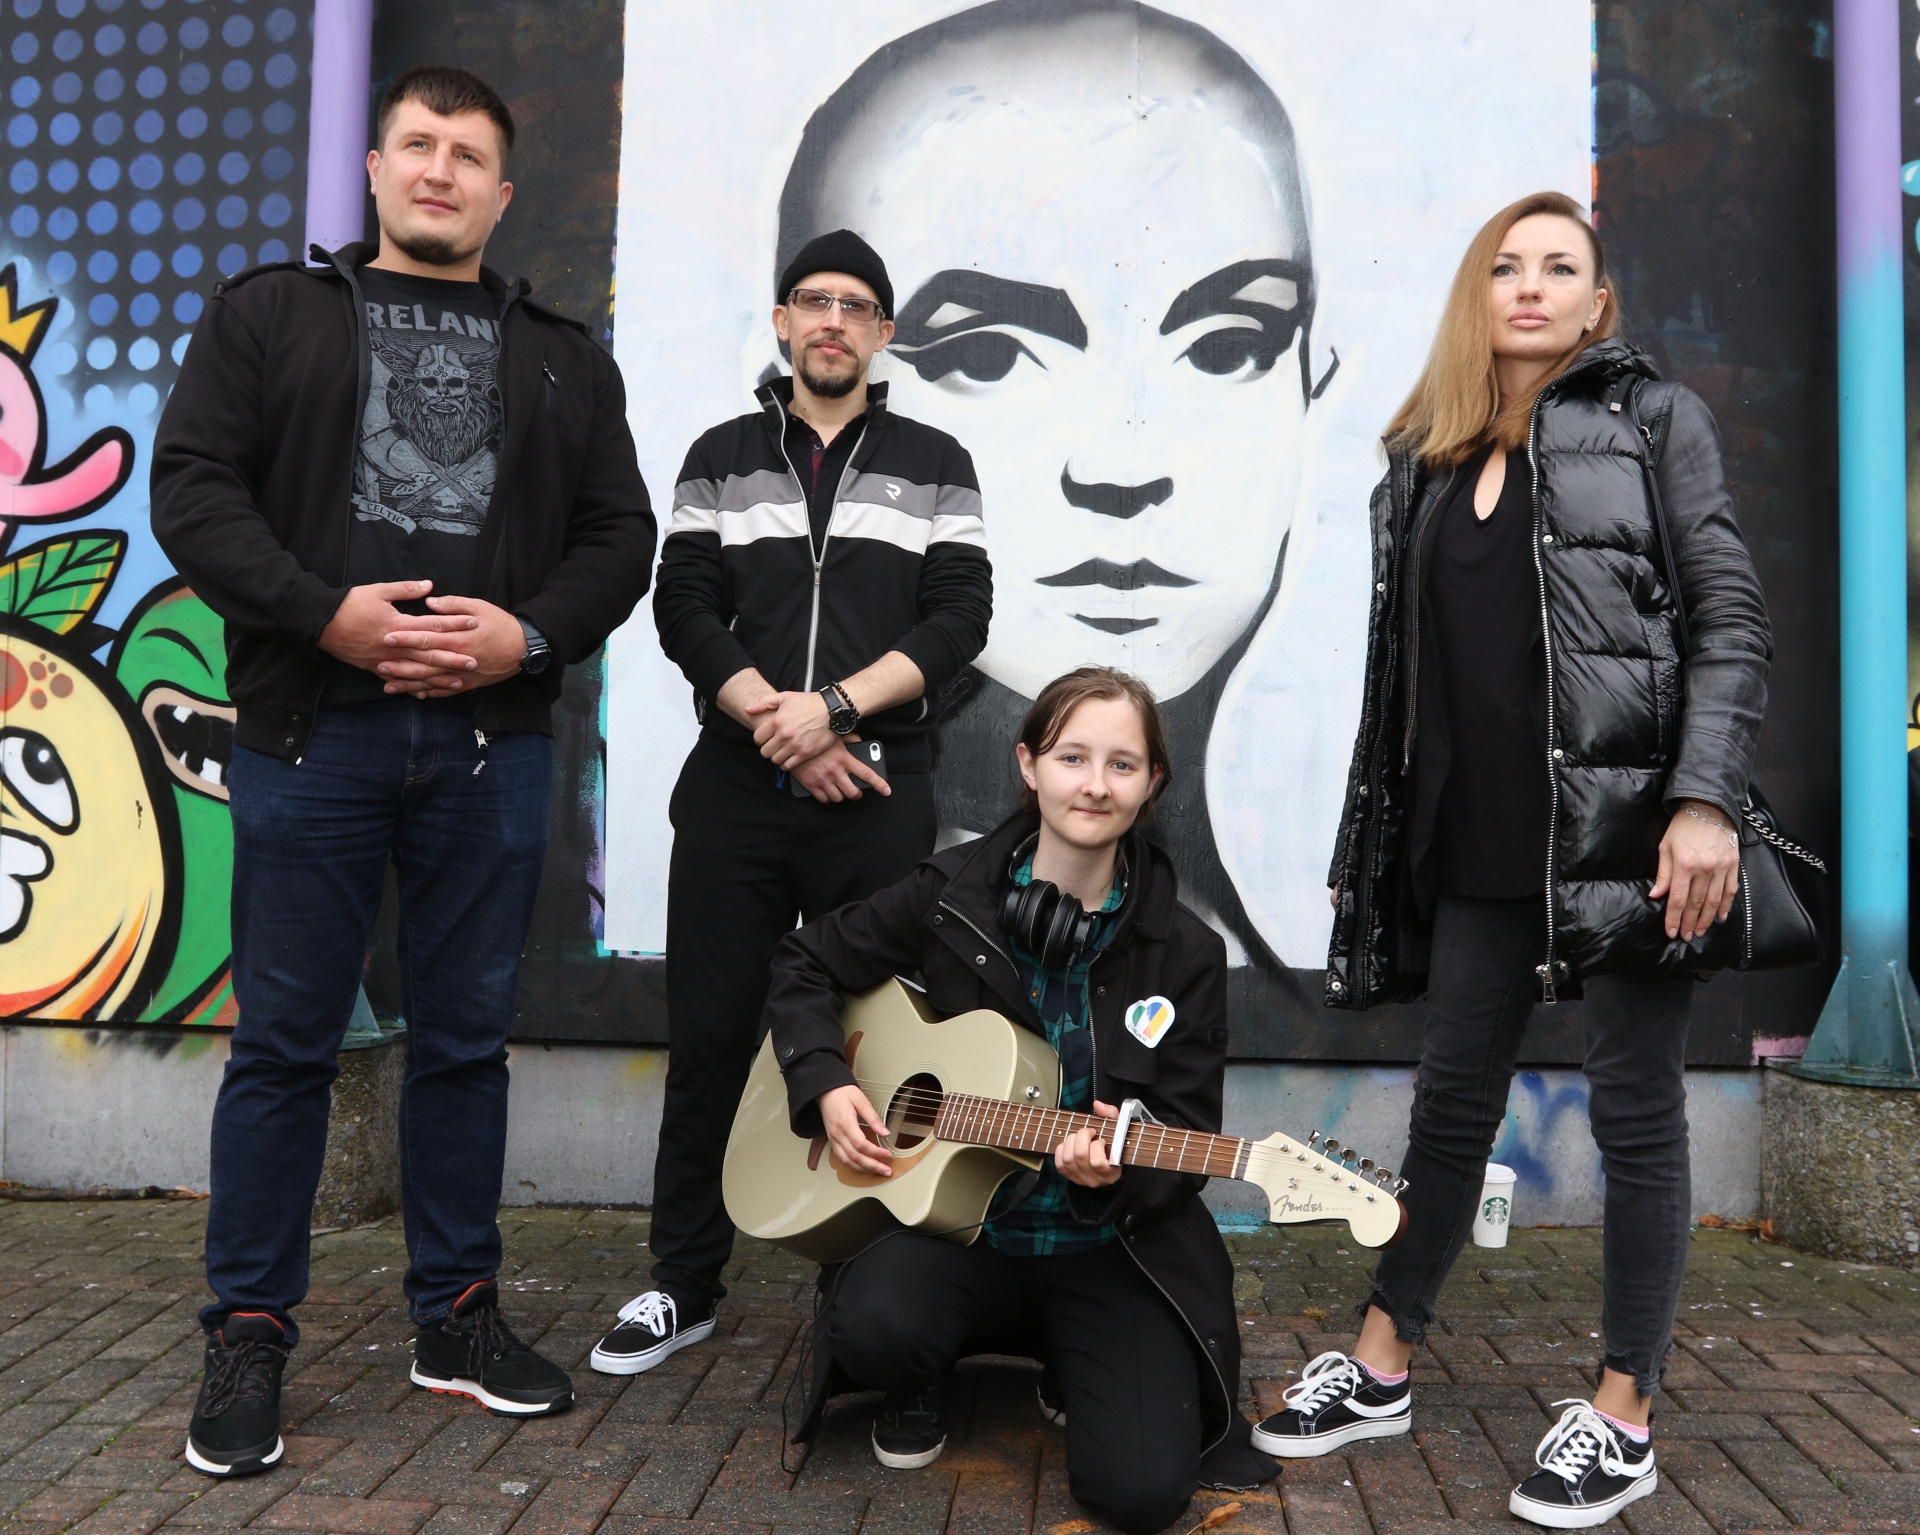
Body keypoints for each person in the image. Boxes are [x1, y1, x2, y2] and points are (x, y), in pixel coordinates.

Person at [150, 65, 656, 1475]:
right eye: (418, 145)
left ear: (503, 192)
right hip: (313, 734)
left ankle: (458, 1315)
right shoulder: (270, 315)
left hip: (490, 747)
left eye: (468, 154)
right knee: (284, 1045)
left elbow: (619, 536)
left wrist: (525, 634)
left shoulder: (563, 356)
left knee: (465, 1042)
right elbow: (194, 487)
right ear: (375, 171)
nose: (440, 170)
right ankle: (249, 1328)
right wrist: (324, 613)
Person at [1277, 192, 1770, 1528]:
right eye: (1507, 266)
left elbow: (1729, 615)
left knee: (1636, 1108)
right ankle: (1383, 1358)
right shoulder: (1426, 460)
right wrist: (1368, 844)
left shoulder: (1656, 420)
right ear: (1476, 295)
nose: (1533, 286)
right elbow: (1398, 685)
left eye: (1562, 268)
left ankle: (1624, 1410)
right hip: (1477, 836)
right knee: (1450, 1101)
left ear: (1599, 305)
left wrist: (1704, 800)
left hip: (1627, 834)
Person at [772, 0, 1331, 968]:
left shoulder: (1223, 954)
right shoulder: (860, 926)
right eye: (986, 357)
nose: (1121, 469)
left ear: (1311, 387)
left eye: (1229, 346)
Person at [590, 229, 991, 1374]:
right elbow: (684, 604)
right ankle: (683, 1282)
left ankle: (862, 1290)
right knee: (711, 1037)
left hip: (878, 791)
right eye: (814, 300)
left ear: (884, 333)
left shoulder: (938, 461)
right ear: (782, 321)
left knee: (880, 1042)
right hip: (736, 793)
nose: (833, 320)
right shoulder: (720, 456)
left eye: (857, 306)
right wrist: (781, 720)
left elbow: (958, 617)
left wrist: (836, 711)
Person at [757, 667, 1278, 1534]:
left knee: (1142, 1495)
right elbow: (804, 961)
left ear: (1152, 783)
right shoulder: (950, 895)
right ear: (1028, 764)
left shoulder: (1183, 950)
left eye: (1122, 763)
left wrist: (1116, 1173)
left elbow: (1188, 1132)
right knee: (874, 1327)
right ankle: (921, 1370)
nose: (1095, 783)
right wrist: (827, 1079)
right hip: (961, 1235)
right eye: (1072, 756)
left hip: (1106, 1248)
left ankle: (1071, 1358)